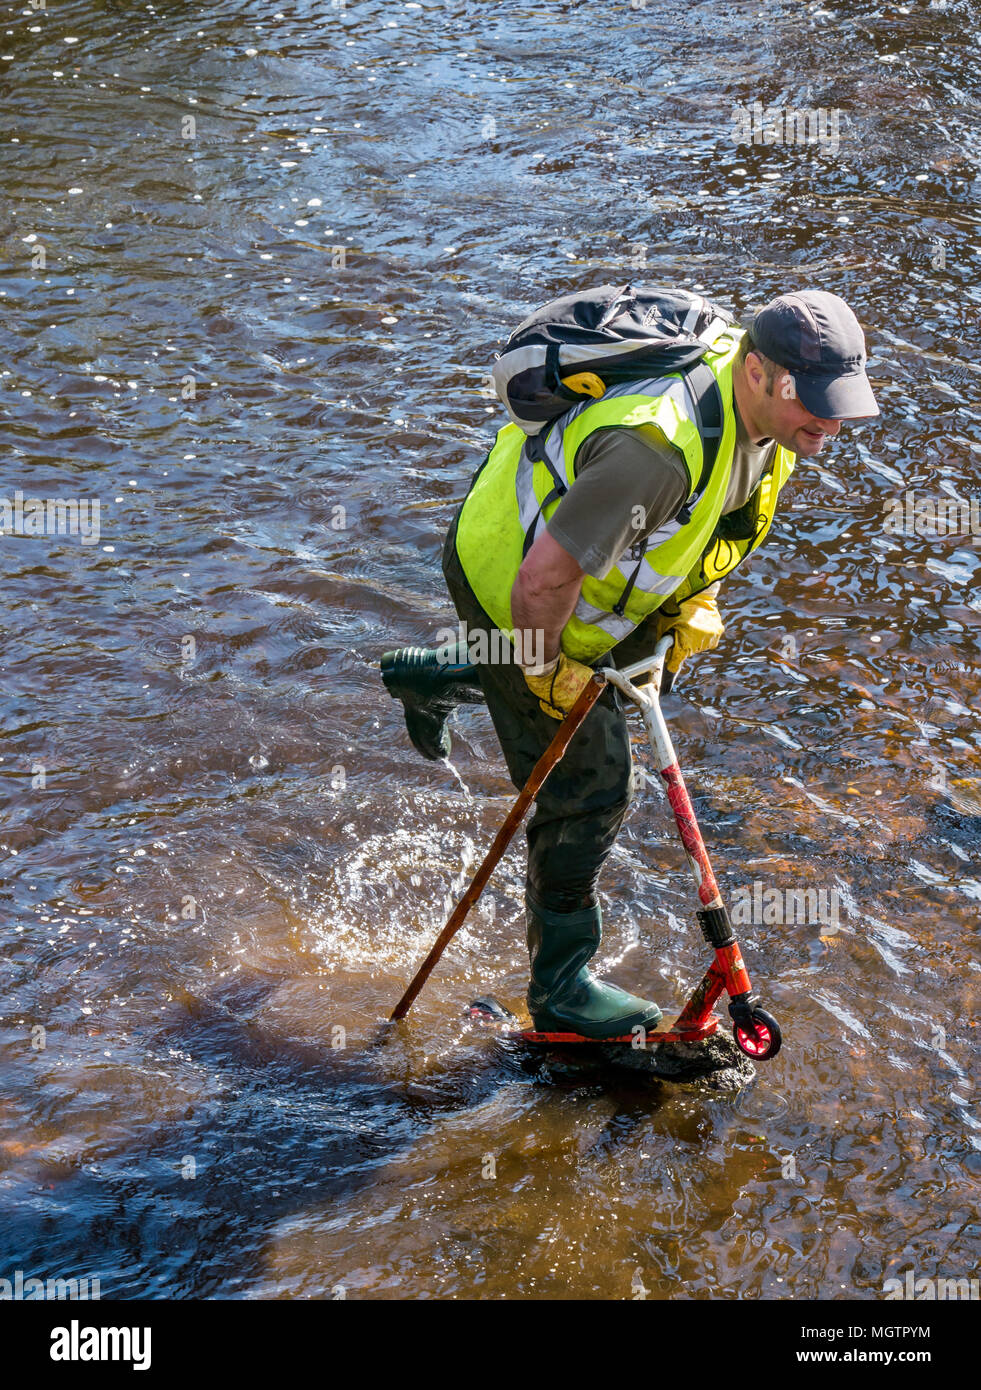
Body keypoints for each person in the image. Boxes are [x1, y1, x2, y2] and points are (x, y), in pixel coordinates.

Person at [382, 289, 878, 1039]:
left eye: (840, 401)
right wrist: (544, 671)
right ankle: (561, 992)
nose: (830, 421)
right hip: (513, 578)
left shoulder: (771, 420)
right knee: (589, 788)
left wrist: (692, 603)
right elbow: (542, 583)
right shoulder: (655, 448)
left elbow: (719, 519)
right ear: (753, 371)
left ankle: (436, 676)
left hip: (594, 569)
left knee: (617, 687)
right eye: (812, 400)